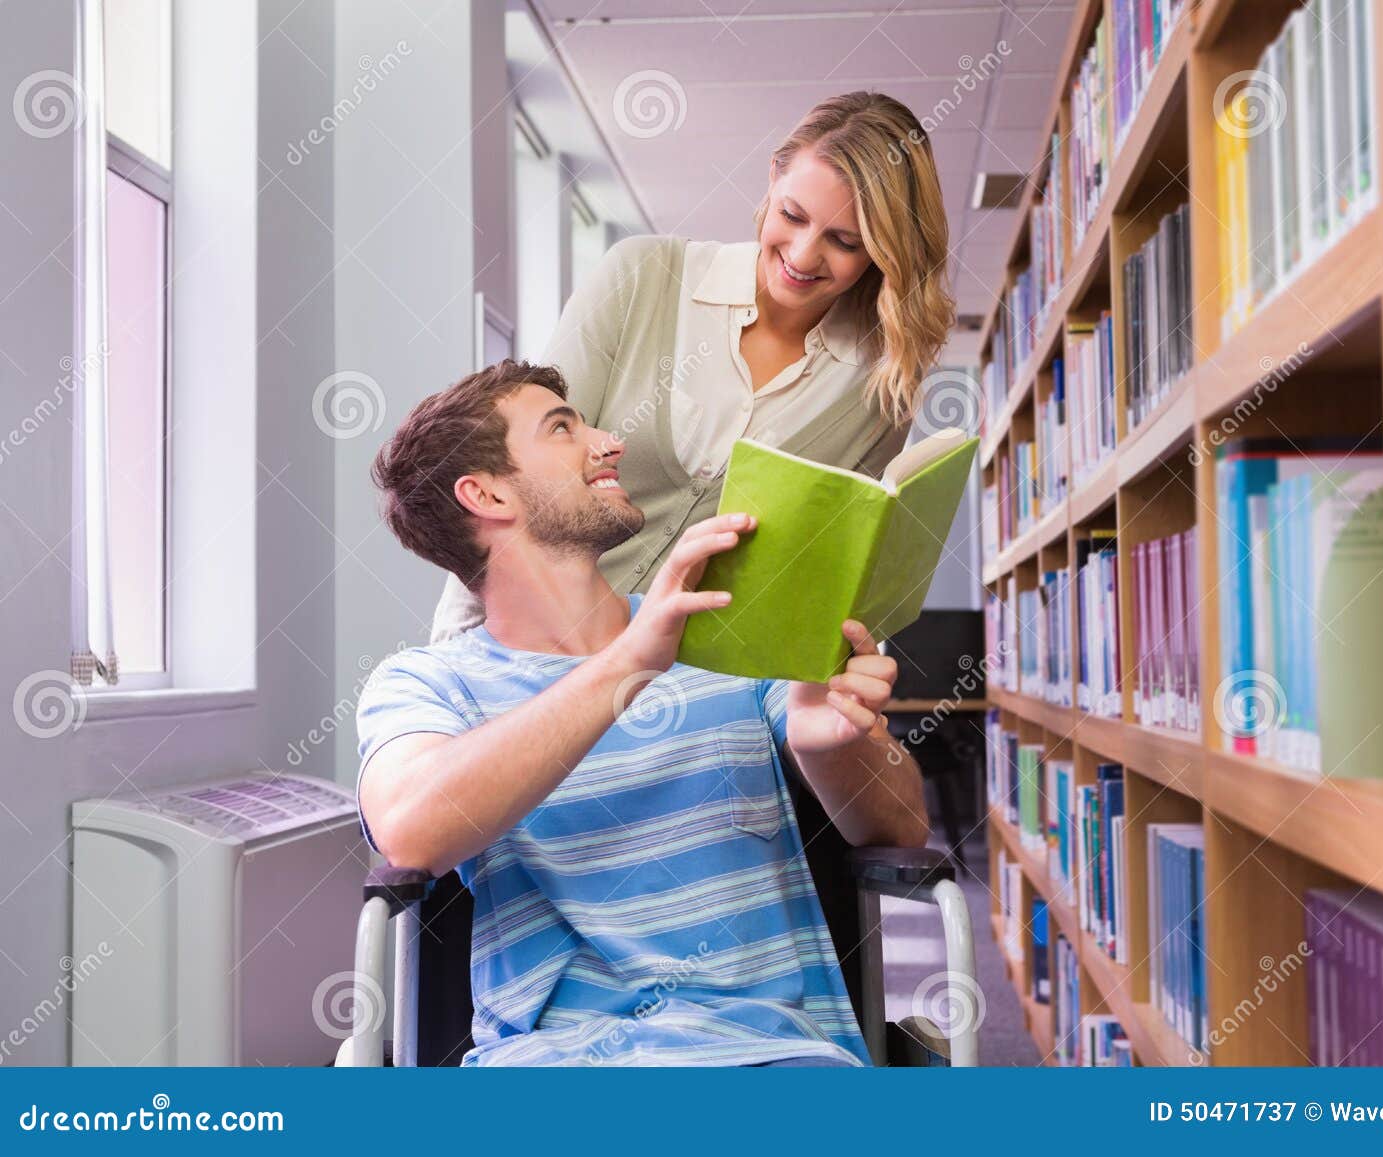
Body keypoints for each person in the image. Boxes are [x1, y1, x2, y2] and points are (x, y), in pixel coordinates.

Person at [356, 360, 930, 1067]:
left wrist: (833, 747)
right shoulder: (428, 683)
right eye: (563, 428)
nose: (609, 442)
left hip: (768, 1056)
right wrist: (631, 662)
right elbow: (412, 830)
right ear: (486, 491)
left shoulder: (730, 635)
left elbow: (904, 827)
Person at [430, 91, 955, 642]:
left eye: (844, 241)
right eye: (791, 215)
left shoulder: (881, 379)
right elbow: (514, 472)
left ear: (883, 250)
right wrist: (454, 654)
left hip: (707, 694)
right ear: (772, 180)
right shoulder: (643, 278)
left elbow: (826, 573)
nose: (802, 256)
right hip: (541, 657)